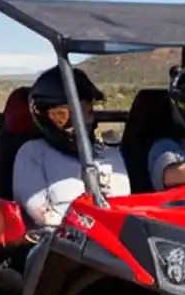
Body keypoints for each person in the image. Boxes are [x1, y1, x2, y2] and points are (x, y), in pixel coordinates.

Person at [12, 66, 130, 229]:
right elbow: (42, 215)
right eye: (65, 115)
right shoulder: (33, 153)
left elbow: (128, 206)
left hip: (117, 241)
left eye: (86, 111)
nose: (81, 122)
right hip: (63, 247)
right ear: (46, 116)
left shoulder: (109, 152)